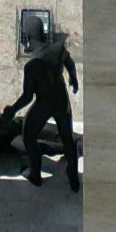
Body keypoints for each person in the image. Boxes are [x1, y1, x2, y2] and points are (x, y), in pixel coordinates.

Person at [15, 17, 79, 192]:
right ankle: (73, 177)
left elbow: (27, 97)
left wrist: (11, 110)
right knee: (67, 139)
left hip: (43, 105)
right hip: (61, 101)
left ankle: (35, 174)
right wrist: (73, 78)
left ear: (27, 36)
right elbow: (69, 62)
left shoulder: (32, 65)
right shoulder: (58, 48)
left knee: (28, 135)